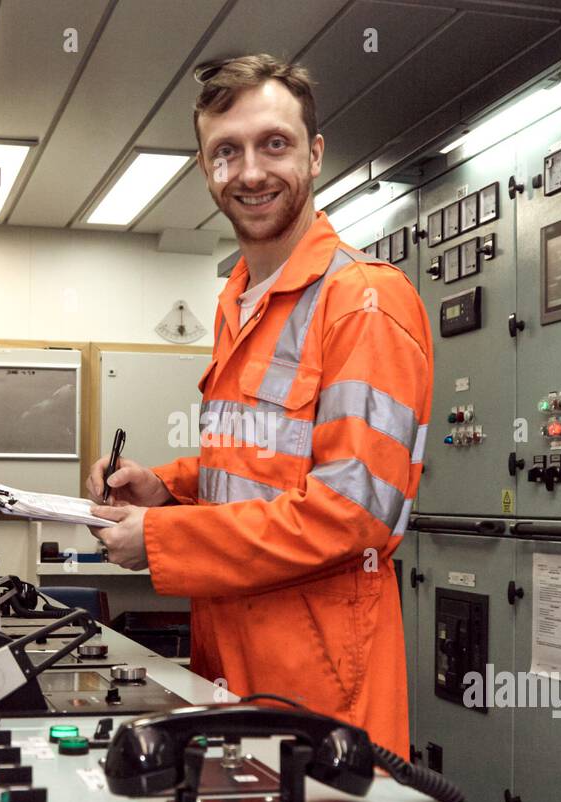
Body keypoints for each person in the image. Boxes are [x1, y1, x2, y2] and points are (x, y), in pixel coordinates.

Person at [86, 54, 432, 756]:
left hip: (320, 691)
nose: (250, 171)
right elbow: (254, 465)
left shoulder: (365, 300)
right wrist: (167, 488)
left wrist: (160, 538)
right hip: (226, 669)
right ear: (205, 169)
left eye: (274, 143)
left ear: (316, 153)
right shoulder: (238, 300)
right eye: (226, 151)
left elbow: (352, 513)